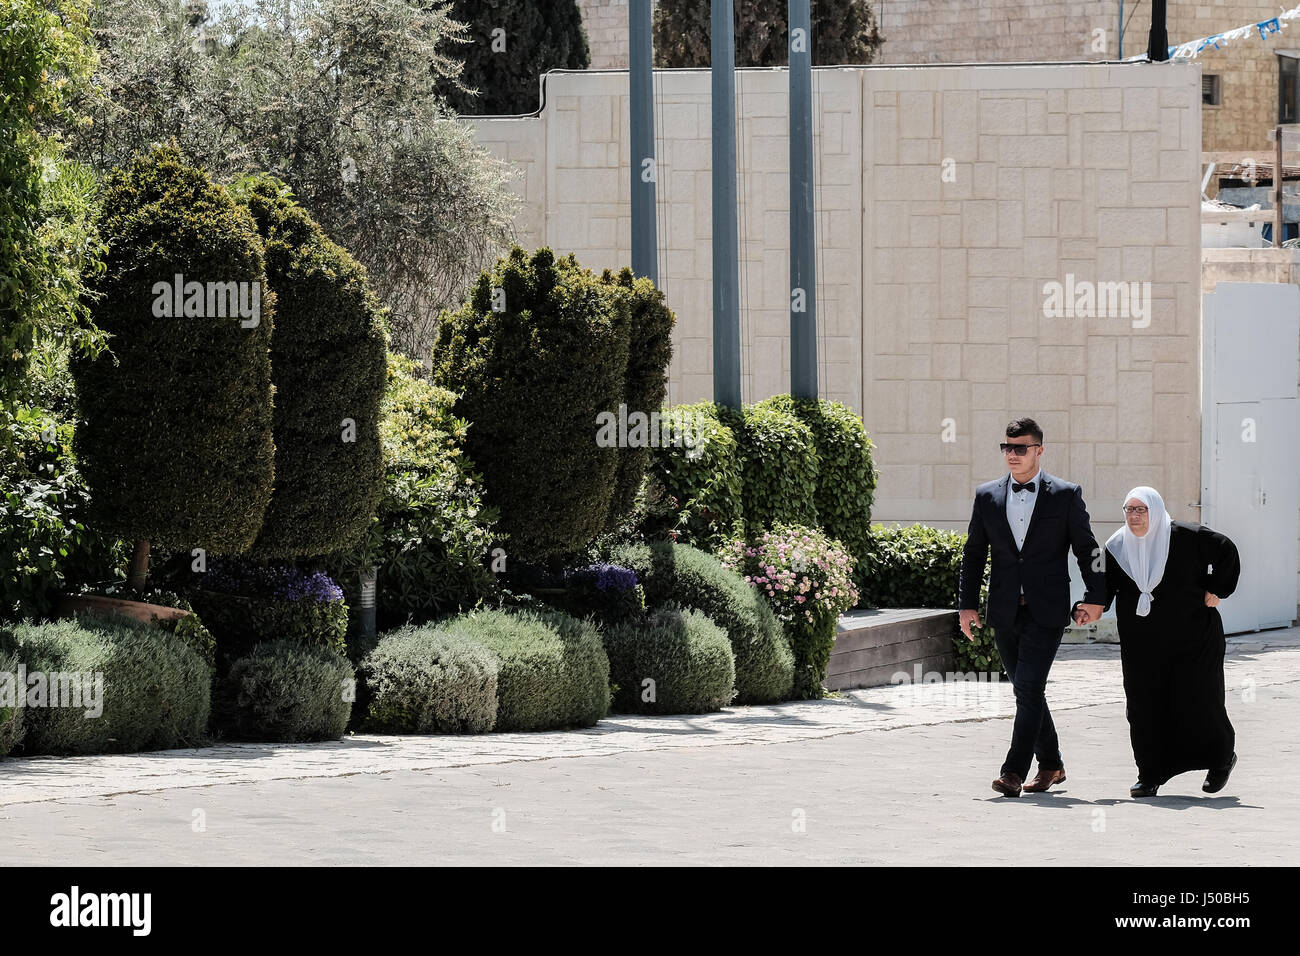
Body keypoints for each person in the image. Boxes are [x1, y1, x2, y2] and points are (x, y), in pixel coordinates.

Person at [958, 418, 1108, 798]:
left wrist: (1096, 597)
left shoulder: (1065, 494)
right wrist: (967, 605)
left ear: (1039, 450)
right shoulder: (987, 495)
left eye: (1020, 448)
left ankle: (1012, 773)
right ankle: (1052, 765)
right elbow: (974, 553)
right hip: (1004, 609)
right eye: (1007, 447)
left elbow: (1088, 549)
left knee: (1027, 686)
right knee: (1027, 691)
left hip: (1047, 608)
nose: (1012, 454)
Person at [1072, 486, 1240, 798]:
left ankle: (1220, 759)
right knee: (1144, 705)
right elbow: (1103, 587)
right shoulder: (1117, 546)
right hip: (1142, 643)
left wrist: (1219, 588)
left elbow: (1226, 549)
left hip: (1194, 637)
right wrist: (1089, 607)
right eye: (1129, 510)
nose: (1134, 516)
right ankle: (1150, 772)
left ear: (1156, 510)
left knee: (1200, 699)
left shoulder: (1188, 537)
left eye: (1141, 510)